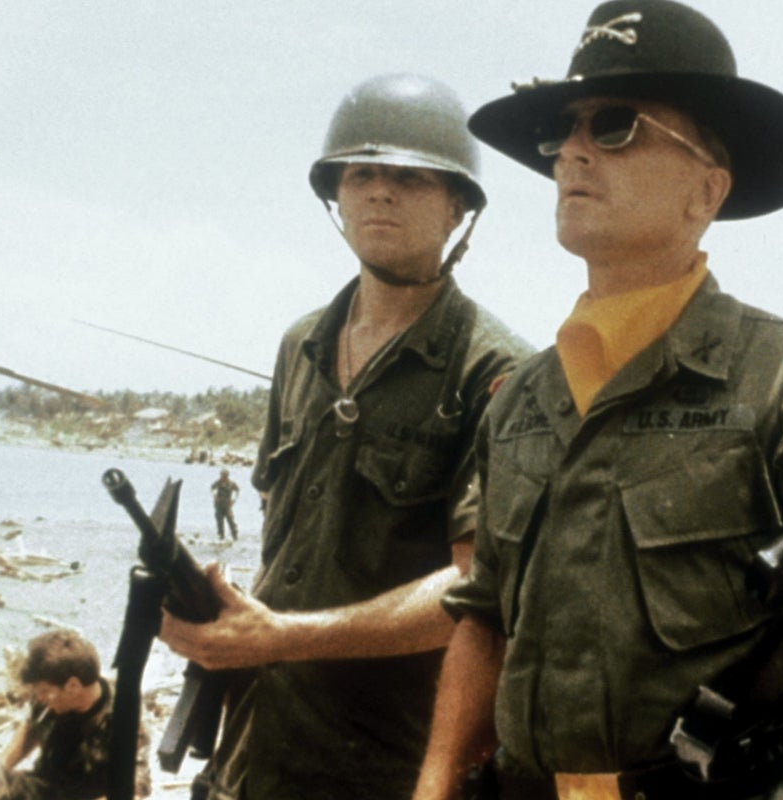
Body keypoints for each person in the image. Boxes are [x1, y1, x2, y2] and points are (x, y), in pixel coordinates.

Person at [412, 2, 783, 799]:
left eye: (614, 125)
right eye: (564, 130)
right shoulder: (520, 404)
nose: (573, 150)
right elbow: (484, 621)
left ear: (706, 190)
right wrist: (436, 781)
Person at [157, 73, 532, 799]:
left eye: (411, 177)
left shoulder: (494, 369)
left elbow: (479, 587)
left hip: (383, 762)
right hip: (255, 746)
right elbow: (286, 542)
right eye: (361, 174)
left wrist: (284, 637)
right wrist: (223, 622)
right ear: (337, 195)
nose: (381, 192)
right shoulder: (302, 345)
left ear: (457, 208)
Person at [0, 630, 150, 800]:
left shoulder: (124, 713)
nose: (39, 697)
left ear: (72, 686)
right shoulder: (48, 693)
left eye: (44, 691)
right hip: (47, 785)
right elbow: (32, 728)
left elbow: (134, 787)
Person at [210, 468, 240, 541]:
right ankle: (221, 537)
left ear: (227, 476)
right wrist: (214, 496)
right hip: (219, 504)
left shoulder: (231, 483)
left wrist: (234, 499)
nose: (223, 477)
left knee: (231, 520)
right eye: (222, 475)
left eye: (224, 475)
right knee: (219, 521)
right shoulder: (218, 482)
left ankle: (235, 536)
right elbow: (212, 488)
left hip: (227, 505)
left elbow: (237, 490)